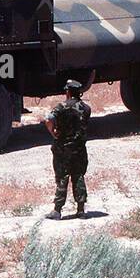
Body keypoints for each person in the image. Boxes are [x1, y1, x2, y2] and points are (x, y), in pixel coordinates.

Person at [43, 79, 92, 219]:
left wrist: (53, 132)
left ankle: (57, 210)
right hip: (79, 149)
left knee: (62, 177)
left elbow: (48, 120)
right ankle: (81, 210)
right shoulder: (86, 108)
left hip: (63, 149)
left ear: (68, 92)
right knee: (78, 176)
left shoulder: (61, 107)